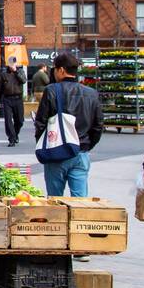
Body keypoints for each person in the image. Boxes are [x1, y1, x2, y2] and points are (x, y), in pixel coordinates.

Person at [34, 53, 104, 205]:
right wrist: (87, 145)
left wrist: (43, 144)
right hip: (81, 152)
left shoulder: (51, 90)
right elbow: (98, 126)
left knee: (55, 202)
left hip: (56, 152)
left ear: (61, 70)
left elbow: (40, 123)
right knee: (80, 203)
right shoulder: (91, 93)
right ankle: (78, 228)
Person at [0, 55, 26, 148]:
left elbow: (24, 80)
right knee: (8, 120)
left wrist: (16, 71)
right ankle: (11, 139)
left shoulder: (20, 71)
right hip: (7, 99)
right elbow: (0, 88)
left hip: (18, 98)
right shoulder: (4, 74)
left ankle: (15, 133)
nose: (12, 65)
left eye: (13, 63)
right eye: (10, 63)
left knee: (20, 120)